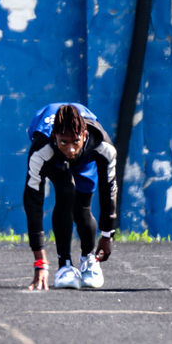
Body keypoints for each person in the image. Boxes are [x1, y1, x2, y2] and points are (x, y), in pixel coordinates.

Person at [23, 102, 118, 290]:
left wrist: (107, 235)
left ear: (84, 135)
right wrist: (39, 260)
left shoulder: (102, 145)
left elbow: (110, 189)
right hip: (54, 157)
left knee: (82, 207)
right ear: (54, 136)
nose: (71, 149)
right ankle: (64, 265)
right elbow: (32, 200)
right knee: (66, 191)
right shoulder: (41, 149)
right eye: (64, 142)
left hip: (86, 158)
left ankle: (88, 259)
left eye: (75, 141)